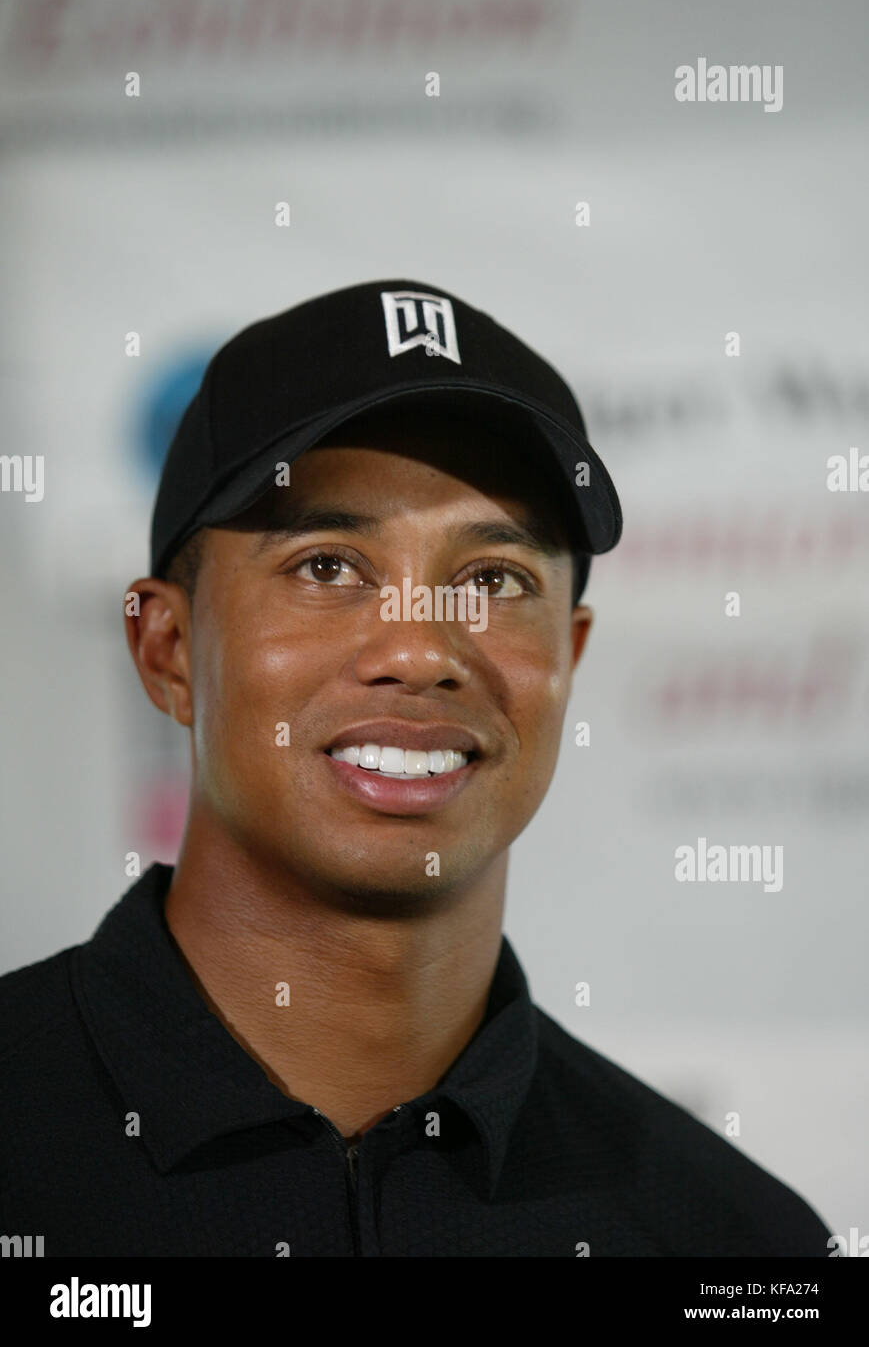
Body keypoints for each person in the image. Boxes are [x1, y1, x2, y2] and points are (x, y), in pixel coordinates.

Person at [0, 280, 831, 1256]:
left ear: (568, 657)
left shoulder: (734, 1241)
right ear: (169, 649)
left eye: (492, 579)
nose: (422, 649)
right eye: (326, 565)